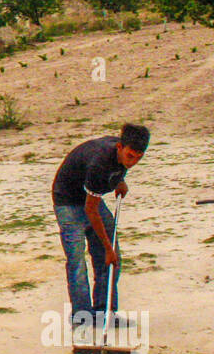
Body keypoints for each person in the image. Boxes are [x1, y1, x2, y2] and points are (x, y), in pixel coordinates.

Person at [51, 123, 150, 340]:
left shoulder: (120, 153)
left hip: (89, 199)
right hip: (68, 203)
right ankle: (82, 316)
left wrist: (119, 181)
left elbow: (113, 171)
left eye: (138, 158)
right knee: (78, 261)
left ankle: (105, 312)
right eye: (130, 156)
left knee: (112, 257)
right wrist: (107, 248)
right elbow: (91, 210)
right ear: (120, 147)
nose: (132, 162)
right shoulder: (99, 162)